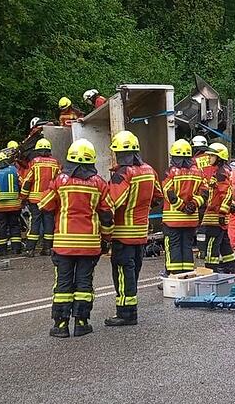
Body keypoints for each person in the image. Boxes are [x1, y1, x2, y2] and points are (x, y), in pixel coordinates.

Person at [38, 139, 113, 338]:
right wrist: (106, 237)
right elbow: (107, 213)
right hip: (89, 244)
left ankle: (61, 326)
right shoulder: (99, 183)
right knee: (83, 284)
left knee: (63, 284)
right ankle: (81, 323)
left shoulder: (61, 180)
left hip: (64, 244)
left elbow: (44, 204)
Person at [104, 130, 162, 326]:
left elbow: (112, 202)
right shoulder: (149, 170)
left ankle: (125, 314)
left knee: (122, 274)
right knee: (133, 271)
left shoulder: (123, 174)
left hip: (122, 234)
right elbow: (158, 197)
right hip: (141, 234)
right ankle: (131, 310)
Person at [162, 139, 206, 277]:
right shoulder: (198, 172)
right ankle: (187, 275)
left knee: (173, 246)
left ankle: (173, 276)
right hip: (191, 219)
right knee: (187, 247)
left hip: (172, 219)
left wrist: (181, 206)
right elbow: (205, 192)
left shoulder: (171, 172)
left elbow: (167, 191)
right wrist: (193, 205)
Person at [201, 143, 235, 273]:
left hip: (215, 215)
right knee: (224, 242)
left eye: (212, 155)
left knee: (212, 243)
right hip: (219, 213)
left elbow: (224, 193)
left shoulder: (221, 173)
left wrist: (222, 213)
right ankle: (230, 266)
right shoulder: (224, 171)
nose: (209, 158)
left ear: (219, 157)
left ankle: (211, 269)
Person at [21, 138, 60, 255]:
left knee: (35, 222)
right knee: (49, 222)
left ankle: (30, 249)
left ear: (38, 150)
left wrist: (23, 196)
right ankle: (47, 248)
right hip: (49, 199)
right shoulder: (55, 163)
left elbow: (28, 181)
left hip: (35, 199)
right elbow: (58, 181)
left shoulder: (34, 162)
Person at [0, 152, 24, 255]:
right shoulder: (14, 170)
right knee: (15, 226)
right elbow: (22, 183)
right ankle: (16, 248)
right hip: (14, 205)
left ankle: (2, 249)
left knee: (1, 227)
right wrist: (22, 198)